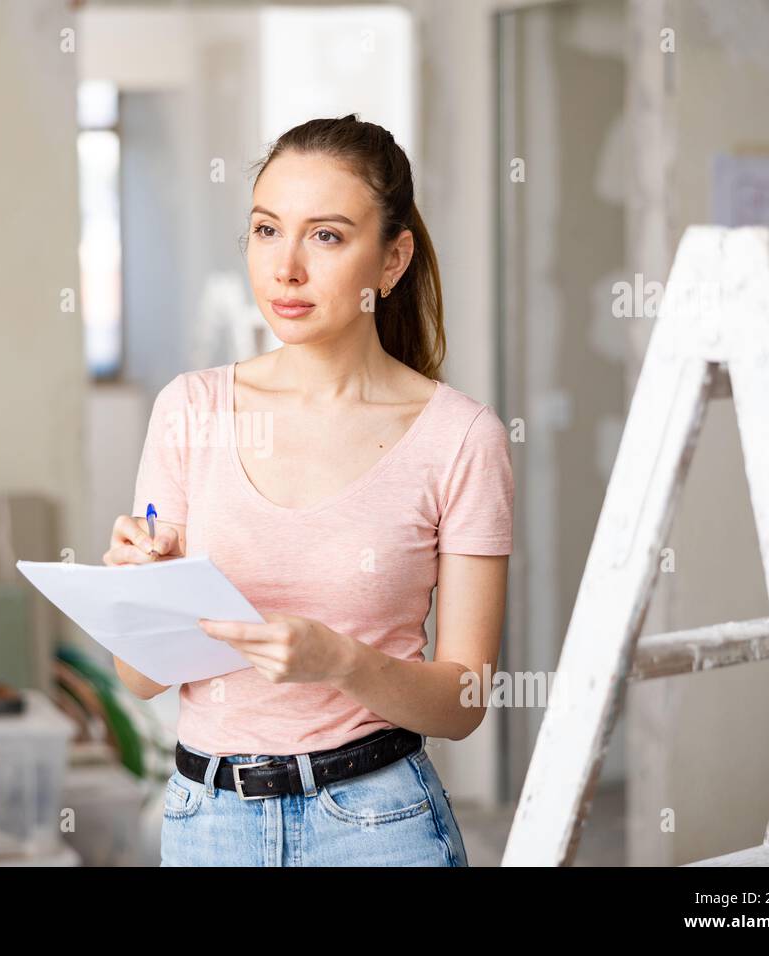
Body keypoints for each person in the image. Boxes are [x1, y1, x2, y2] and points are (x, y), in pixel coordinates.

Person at [103, 114, 513, 867]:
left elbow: (465, 704)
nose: (285, 268)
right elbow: (141, 676)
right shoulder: (190, 409)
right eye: (266, 230)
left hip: (378, 825)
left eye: (325, 236)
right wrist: (142, 589)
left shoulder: (460, 438)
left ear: (392, 259)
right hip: (207, 823)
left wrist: (344, 662)